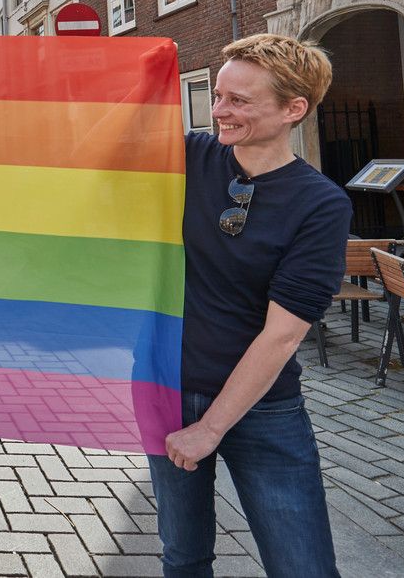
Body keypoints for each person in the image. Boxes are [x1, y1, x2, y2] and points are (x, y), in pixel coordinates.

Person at [148, 34, 351, 578]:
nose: (219, 111)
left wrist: (210, 428)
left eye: (238, 101)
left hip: (263, 408)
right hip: (170, 392)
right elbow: (89, 143)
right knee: (183, 557)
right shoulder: (189, 155)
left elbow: (282, 336)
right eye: (218, 95)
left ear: (293, 109)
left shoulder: (320, 204)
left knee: (302, 565)